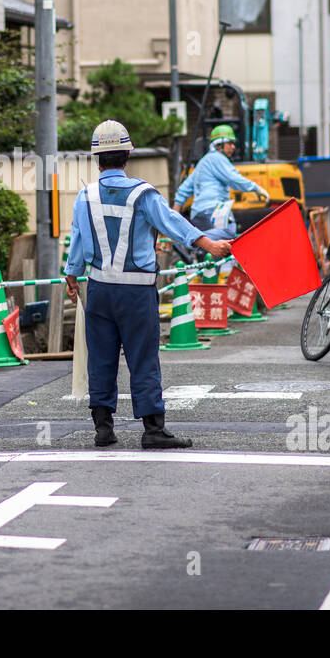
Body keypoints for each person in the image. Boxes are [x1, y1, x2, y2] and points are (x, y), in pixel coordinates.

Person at [65, 120, 232, 449]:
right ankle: (153, 430)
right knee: (142, 358)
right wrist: (209, 244)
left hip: (98, 289)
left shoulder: (85, 195)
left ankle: (103, 429)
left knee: (101, 357)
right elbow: (171, 222)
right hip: (137, 292)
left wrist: (72, 276)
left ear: (97, 159)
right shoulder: (143, 193)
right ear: (127, 156)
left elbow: (78, 241)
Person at [172, 125, 268, 237]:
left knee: (218, 245)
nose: (233, 147)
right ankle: (200, 245)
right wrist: (256, 189)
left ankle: (203, 246)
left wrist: (175, 213)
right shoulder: (217, 158)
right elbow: (234, 179)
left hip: (198, 214)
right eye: (230, 143)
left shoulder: (203, 162)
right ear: (219, 145)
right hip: (212, 210)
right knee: (230, 231)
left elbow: (184, 189)